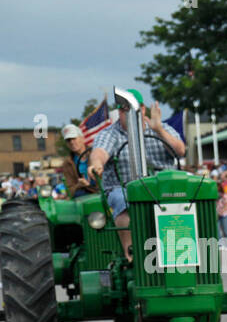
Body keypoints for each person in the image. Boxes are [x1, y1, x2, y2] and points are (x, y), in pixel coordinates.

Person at [88, 90, 186, 259]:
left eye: (132, 108)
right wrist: (96, 164)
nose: (128, 113)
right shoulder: (110, 134)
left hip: (164, 188)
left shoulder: (162, 128)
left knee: (190, 199)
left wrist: (159, 130)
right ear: (119, 112)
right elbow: (100, 152)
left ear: (143, 109)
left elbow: (180, 151)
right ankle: (131, 255)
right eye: (124, 109)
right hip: (124, 187)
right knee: (123, 200)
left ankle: (184, 254)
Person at [60, 124, 97, 197]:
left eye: (74, 138)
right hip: (82, 196)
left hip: (102, 192)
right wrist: (79, 185)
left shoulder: (96, 153)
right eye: (68, 140)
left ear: (82, 138)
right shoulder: (67, 164)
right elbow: (69, 191)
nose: (72, 142)